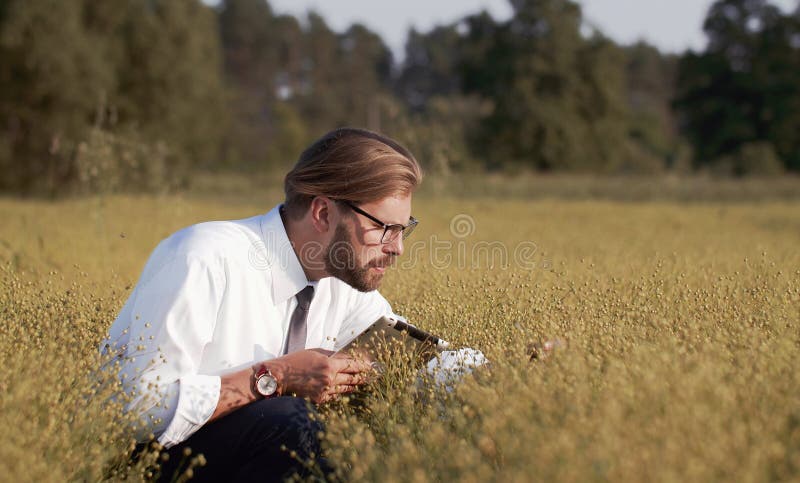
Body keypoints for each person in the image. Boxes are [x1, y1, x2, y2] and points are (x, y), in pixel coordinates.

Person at [102, 127, 423, 481]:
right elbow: (138, 412)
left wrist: (486, 385)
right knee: (291, 423)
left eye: (403, 228)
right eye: (384, 228)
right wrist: (275, 376)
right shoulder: (203, 257)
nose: (397, 247)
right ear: (322, 214)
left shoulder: (340, 282)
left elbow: (409, 352)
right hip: (145, 467)